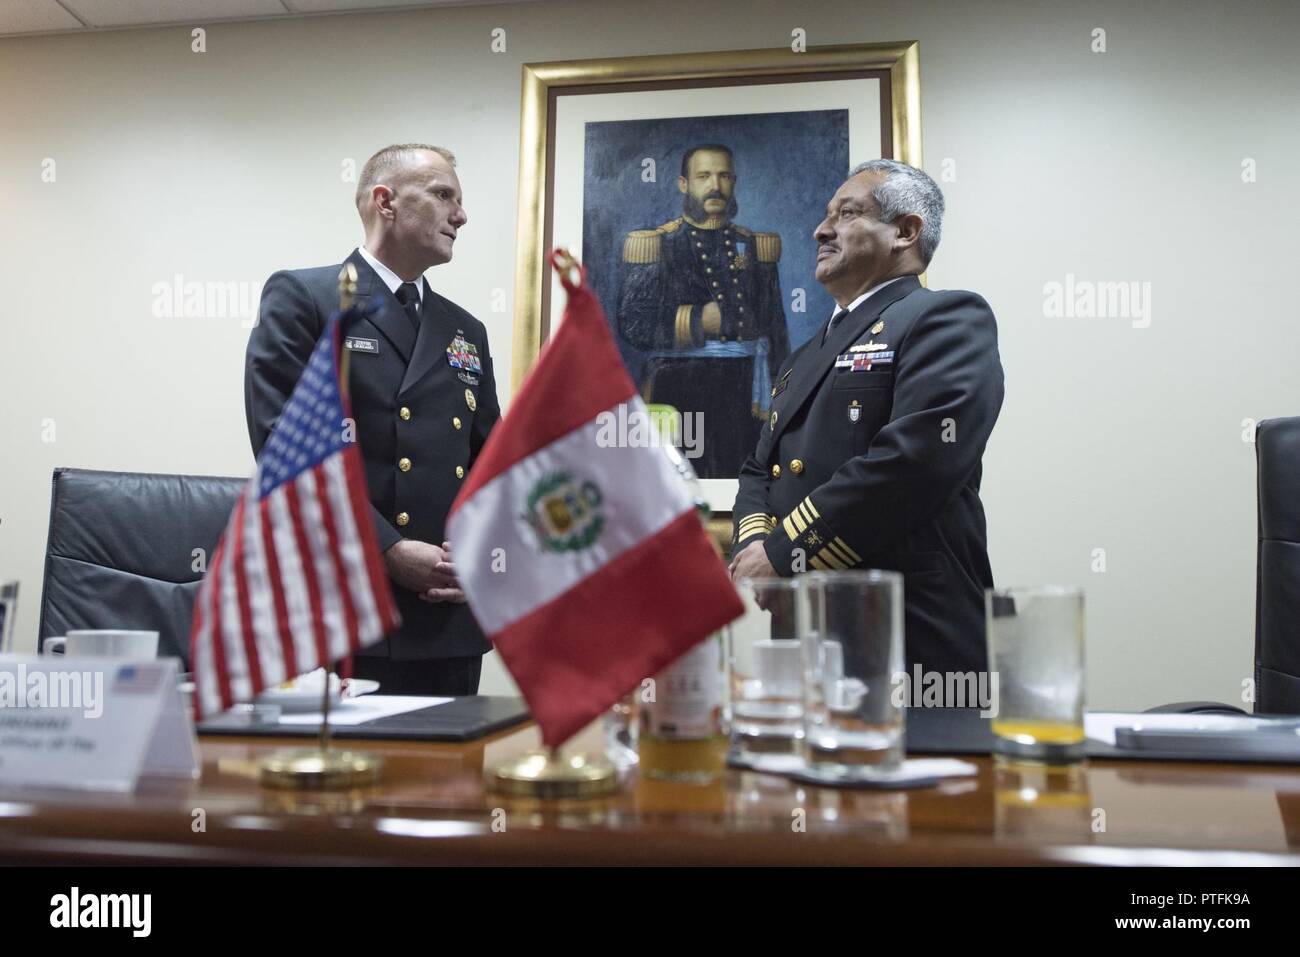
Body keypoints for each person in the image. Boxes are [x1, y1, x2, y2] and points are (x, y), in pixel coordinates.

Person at [728, 159, 1004, 676]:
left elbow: (914, 462)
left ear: (905, 231)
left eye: (847, 213)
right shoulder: (805, 354)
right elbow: (757, 468)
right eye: (827, 214)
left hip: (911, 632)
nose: (821, 229)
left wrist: (788, 553)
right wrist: (757, 551)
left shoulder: (945, 319)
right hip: (806, 625)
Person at [245, 143, 500, 694]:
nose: (460, 215)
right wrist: (386, 549)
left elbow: (490, 460)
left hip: (446, 616)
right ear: (385, 201)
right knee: (347, 778)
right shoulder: (306, 298)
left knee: (448, 782)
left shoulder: (466, 329)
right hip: (345, 606)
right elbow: (284, 451)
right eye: (443, 195)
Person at [616, 144, 790, 477]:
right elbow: (633, 322)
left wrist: (781, 397)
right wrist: (696, 321)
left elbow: (775, 330)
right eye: (704, 176)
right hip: (678, 387)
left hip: (744, 390)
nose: (715, 185)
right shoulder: (658, 243)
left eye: (724, 176)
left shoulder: (754, 245)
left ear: (734, 181)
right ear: (684, 183)